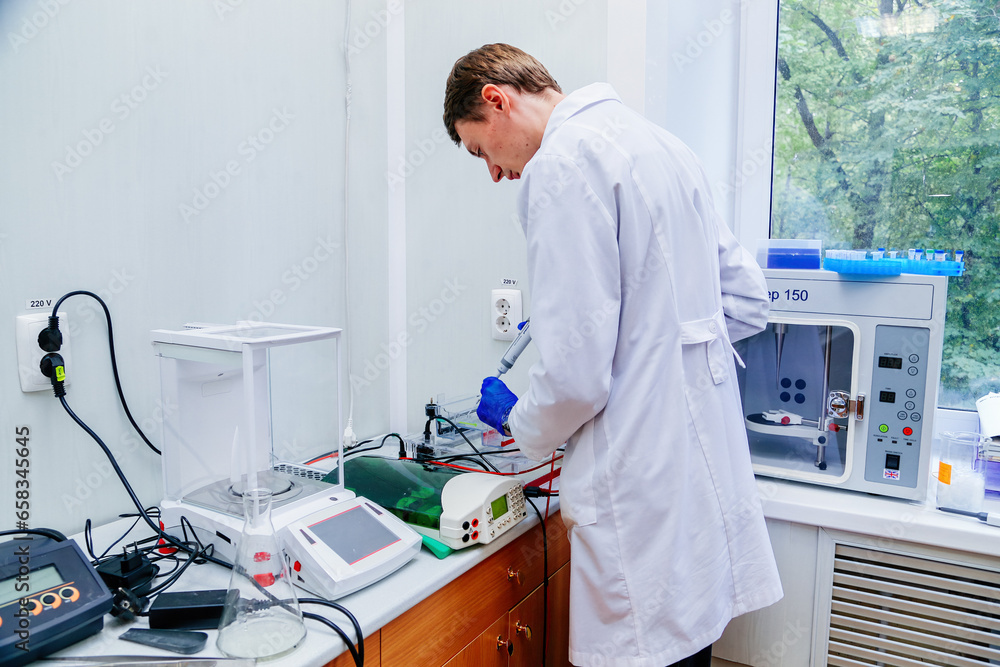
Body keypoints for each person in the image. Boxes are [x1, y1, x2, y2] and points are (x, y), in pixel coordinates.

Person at [444, 43, 783, 667]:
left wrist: (518, 420)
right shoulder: (663, 146)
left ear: (496, 101)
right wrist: (655, 350)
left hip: (637, 499)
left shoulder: (562, 164)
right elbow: (745, 302)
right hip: (698, 491)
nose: (492, 172)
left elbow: (575, 379)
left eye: (478, 149)